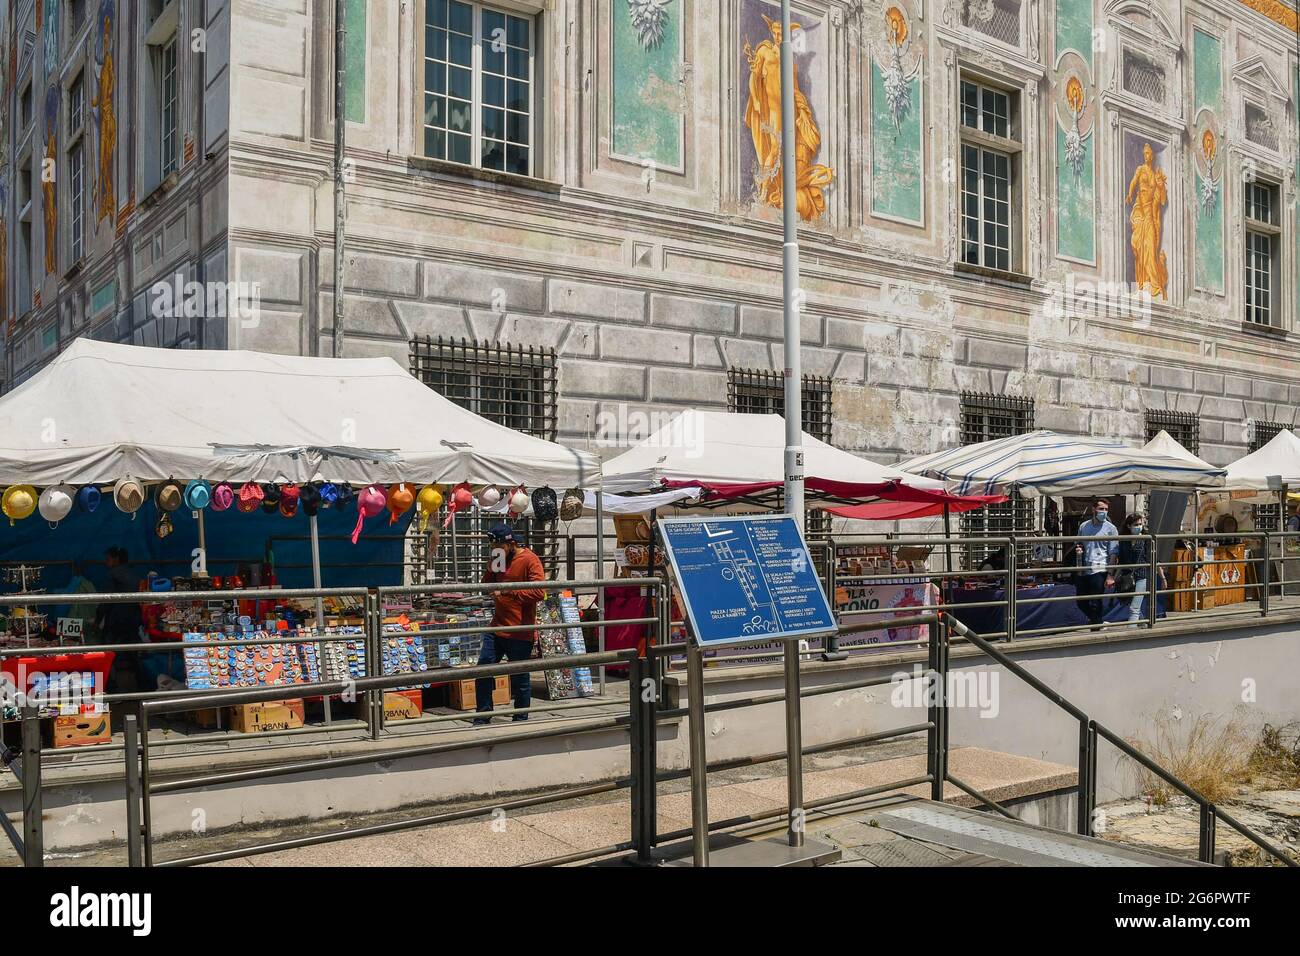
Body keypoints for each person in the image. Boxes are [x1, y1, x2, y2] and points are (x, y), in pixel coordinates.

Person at [473, 525, 546, 725]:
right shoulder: (499, 559)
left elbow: (539, 592)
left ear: (511, 543)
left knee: (520, 677)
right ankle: (483, 715)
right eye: (493, 545)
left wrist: (507, 592)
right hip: (497, 627)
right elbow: (487, 584)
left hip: (520, 630)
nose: (496, 548)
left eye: (499, 545)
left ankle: (520, 717)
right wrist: (490, 569)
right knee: (483, 670)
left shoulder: (530, 559)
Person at [95, 547, 144, 692]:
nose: (105, 562)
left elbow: (106, 601)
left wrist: (98, 621)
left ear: (116, 559)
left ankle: (112, 689)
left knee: (108, 654)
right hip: (133, 619)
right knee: (134, 653)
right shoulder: (134, 573)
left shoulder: (113, 575)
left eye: (108, 558)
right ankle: (143, 687)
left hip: (116, 621)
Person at [1074, 499, 1118, 630]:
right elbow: (1078, 542)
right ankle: (1097, 622)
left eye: (1106, 509)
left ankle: (1096, 626)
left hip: (1101, 568)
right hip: (1083, 567)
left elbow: (1114, 553)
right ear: (1093, 509)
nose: (1103, 512)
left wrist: (1110, 575)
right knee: (1081, 601)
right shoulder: (1084, 526)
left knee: (1096, 600)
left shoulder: (1111, 528)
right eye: (1101, 509)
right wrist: (1078, 549)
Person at [1117, 513, 1166, 627]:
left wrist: (1163, 578)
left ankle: (1131, 632)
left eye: (1140, 524)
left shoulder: (1146, 539)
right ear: (1129, 526)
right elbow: (1121, 561)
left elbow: (1155, 560)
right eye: (1136, 524)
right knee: (1133, 604)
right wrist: (1114, 577)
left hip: (1142, 575)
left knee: (1134, 607)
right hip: (1127, 577)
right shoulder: (1124, 540)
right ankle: (1143, 623)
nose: (1139, 527)